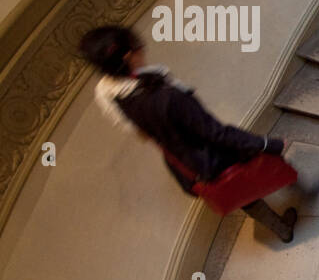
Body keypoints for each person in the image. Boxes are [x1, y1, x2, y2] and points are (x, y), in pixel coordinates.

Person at [79, 24, 299, 243]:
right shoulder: (168, 97)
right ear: (128, 56)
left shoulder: (109, 94)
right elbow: (217, 134)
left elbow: (140, 132)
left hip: (188, 164)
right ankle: (297, 188)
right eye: (138, 47)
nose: (143, 51)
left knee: (243, 195)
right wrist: (270, 144)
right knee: (260, 161)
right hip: (214, 156)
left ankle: (281, 230)